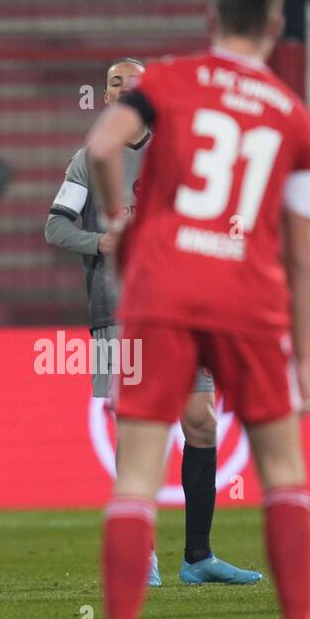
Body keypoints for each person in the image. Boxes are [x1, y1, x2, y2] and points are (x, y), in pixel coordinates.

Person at [84, 0, 310, 619]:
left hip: (163, 289)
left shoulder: (165, 81)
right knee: (284, 476)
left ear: (210, 15)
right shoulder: (293, 115)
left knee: (137, 476)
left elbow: (105, 147)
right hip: (249, 297)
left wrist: (120, 231)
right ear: (274, 26)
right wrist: (306, 361)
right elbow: (302, 249)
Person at [45, 57, 260, 588]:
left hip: (185, 308)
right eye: (115, 82)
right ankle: (141, 555)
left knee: (201, 422)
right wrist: (101, 241)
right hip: (117, 310)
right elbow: (54, 227)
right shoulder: (89, 159)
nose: (124, 89)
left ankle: (198, 556)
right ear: (103, 96)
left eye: (134, 83)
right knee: (137, 431)